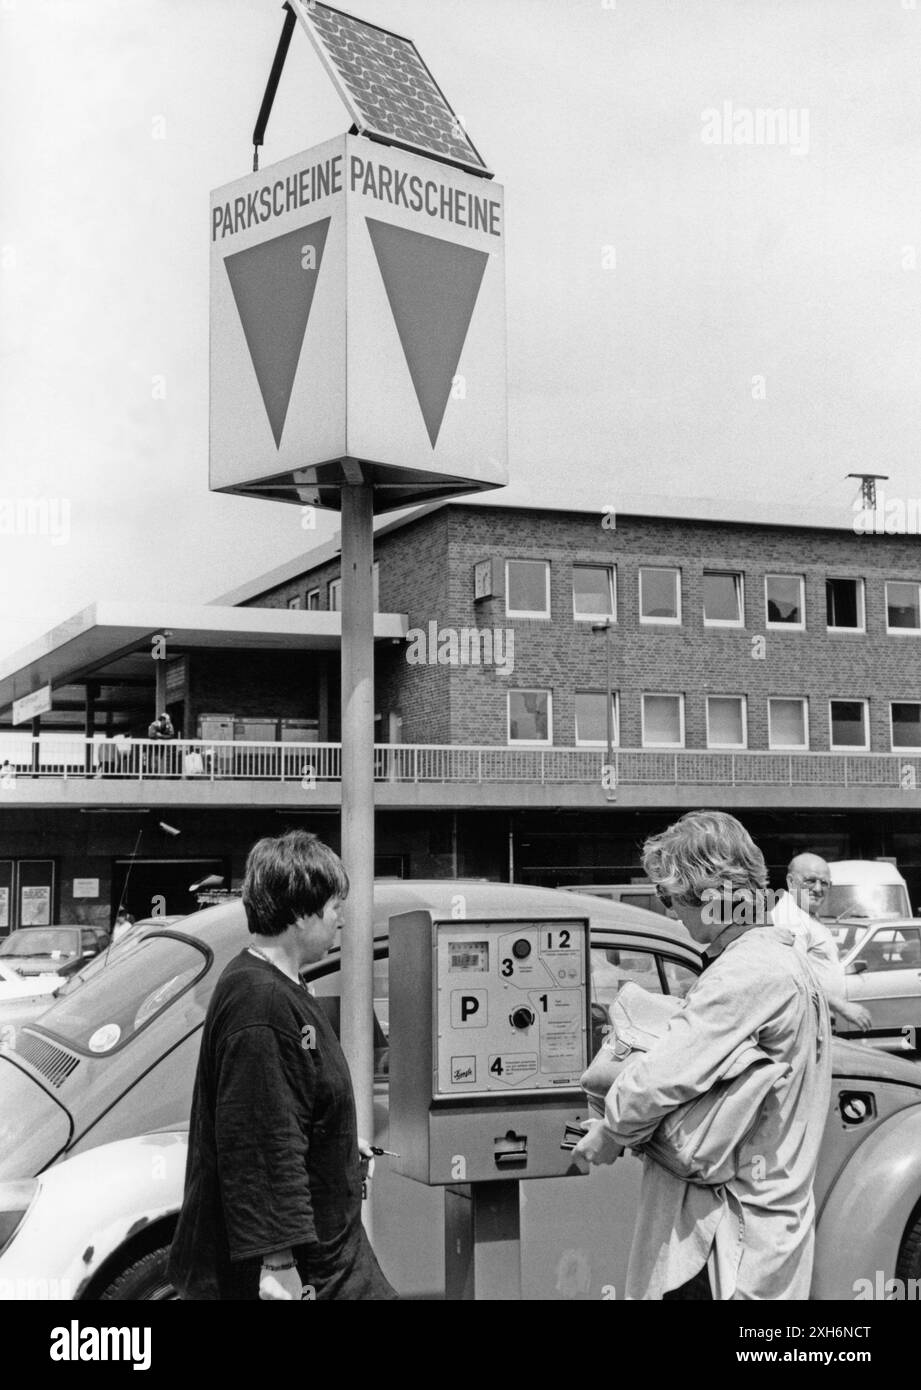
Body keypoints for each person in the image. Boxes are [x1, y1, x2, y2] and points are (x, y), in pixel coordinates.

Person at [574, 810, 832, 1300]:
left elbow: (660, 1077)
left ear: (711, 896)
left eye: (671, 898)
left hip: (722, 1235)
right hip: (772, 1221)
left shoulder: (746, 971)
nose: (671, 912)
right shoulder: (787, 958)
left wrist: (611, 1131)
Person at [168, 830, 397, 1301]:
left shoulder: (271, 984)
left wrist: (333, 1140)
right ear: (300, 913)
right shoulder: (263, 1004)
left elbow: (289, 1103)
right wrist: (279, 1266)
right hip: (311, 1269)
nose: (341, 920)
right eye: (335, 906)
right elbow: (260, 1141)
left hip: (330, 1253)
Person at [774, 852, 872, 1032]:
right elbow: (795, 978)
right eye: (810, 881)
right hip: (804, 1024)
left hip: (816, 1020)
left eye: (824, 883)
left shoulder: (806, 915)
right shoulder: (791, 919)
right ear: (791, 881)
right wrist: (843, 1006)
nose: (818, 889)